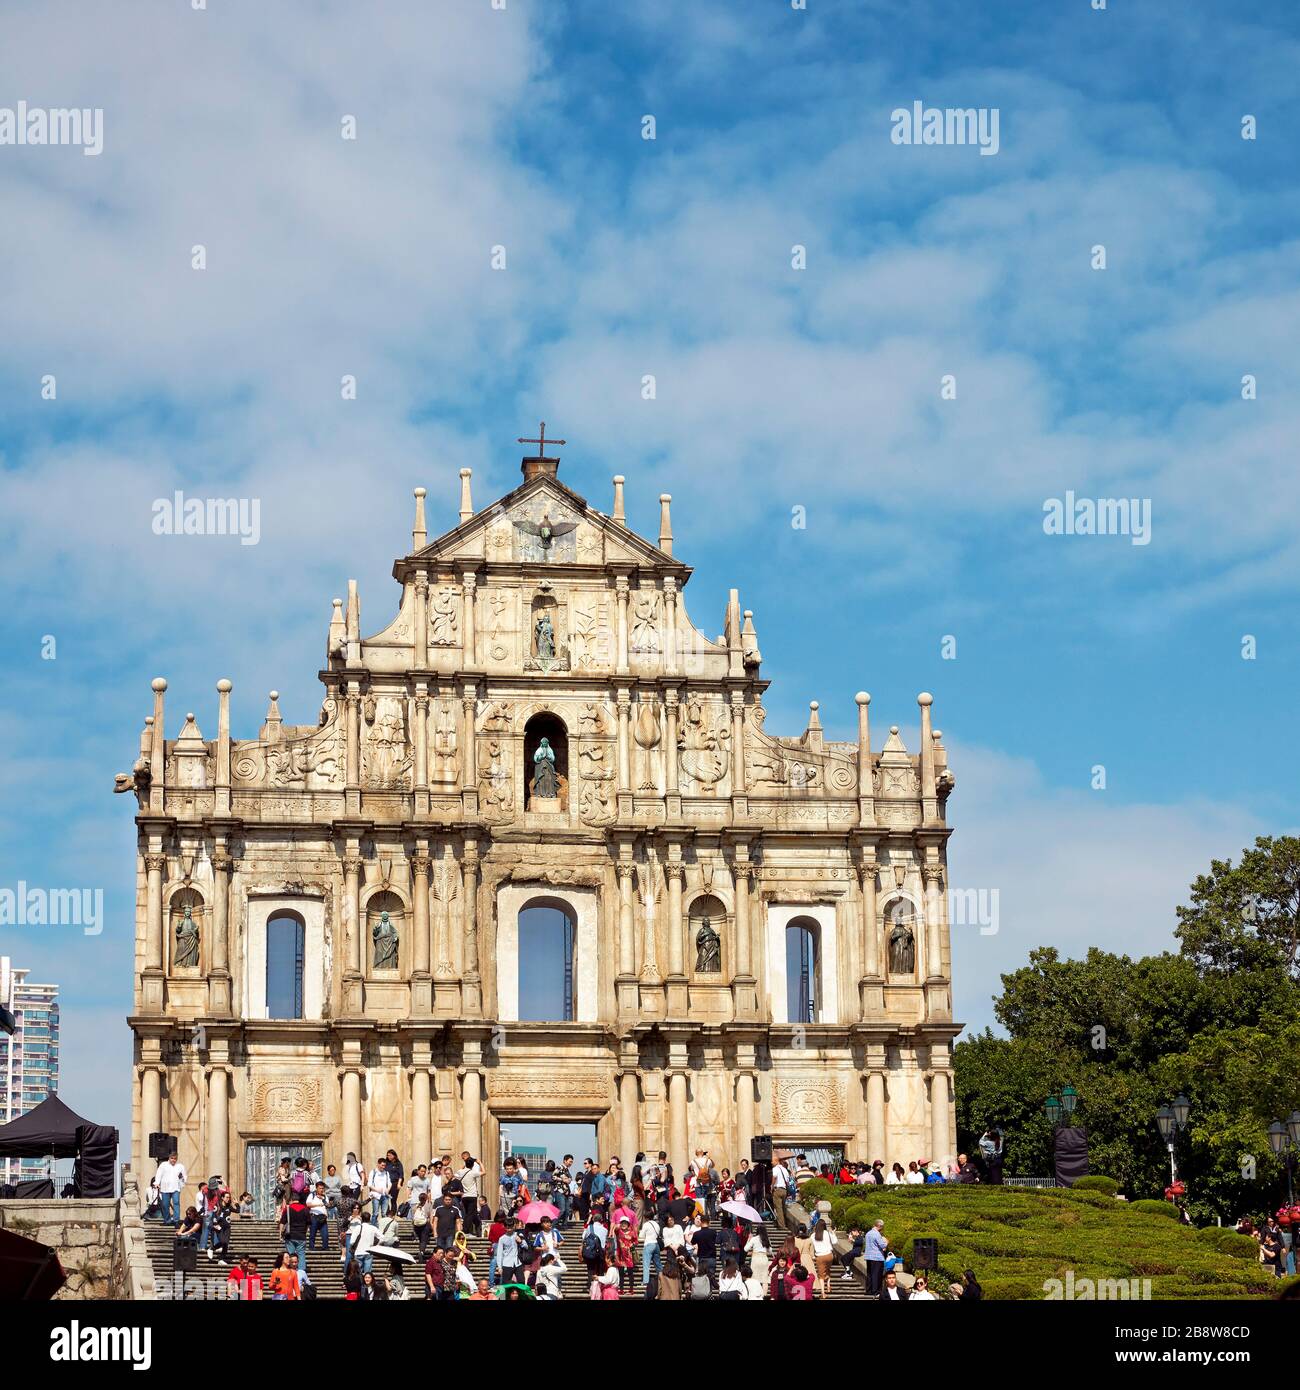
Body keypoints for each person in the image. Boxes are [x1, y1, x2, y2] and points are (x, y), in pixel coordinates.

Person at [153, 1151, 187, 1226]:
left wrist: (182, 1179)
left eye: (175, 1159)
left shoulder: (180, 1166)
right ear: (169, 1158)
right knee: (165, 1204)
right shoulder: (163, 1165)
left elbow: (184, 1176)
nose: (173, 1160)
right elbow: (159, 1174)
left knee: (176, 1203)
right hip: (165, 1188)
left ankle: (176, 1220)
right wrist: (157, 1183)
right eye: (172, 1158)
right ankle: (167, 1220)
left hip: (176, 1187)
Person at [811, 1220, 836, 1298]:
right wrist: (833, 1233)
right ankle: (828, 1286)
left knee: (821, 1276)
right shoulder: (827, 1233)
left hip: (820, 1256)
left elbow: (811, 1246)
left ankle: (823, 1293)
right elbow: (835, 1242)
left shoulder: (813, 1235)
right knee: (827, 1270)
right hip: (829, 1255)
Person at [865, 1218, 888, 1296]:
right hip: (877, 1257)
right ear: (880, 1226)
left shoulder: (868, 1233)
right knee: (876, 1274)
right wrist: (886, 1242)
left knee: (869, 1274)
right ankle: (876, 1291)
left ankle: (868, 1290)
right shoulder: (877, 1234)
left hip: (868, 1257)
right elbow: (883, 1245)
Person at [641, 1210, 662, 1285]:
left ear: (646, 1217)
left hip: (649, 1244)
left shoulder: (646, 1224)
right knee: (658, 1264)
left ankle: (646, 1281)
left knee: (646, 1264)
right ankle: (662, 1279)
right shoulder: (657, 1224)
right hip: (656, 1245)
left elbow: (641, 1236)